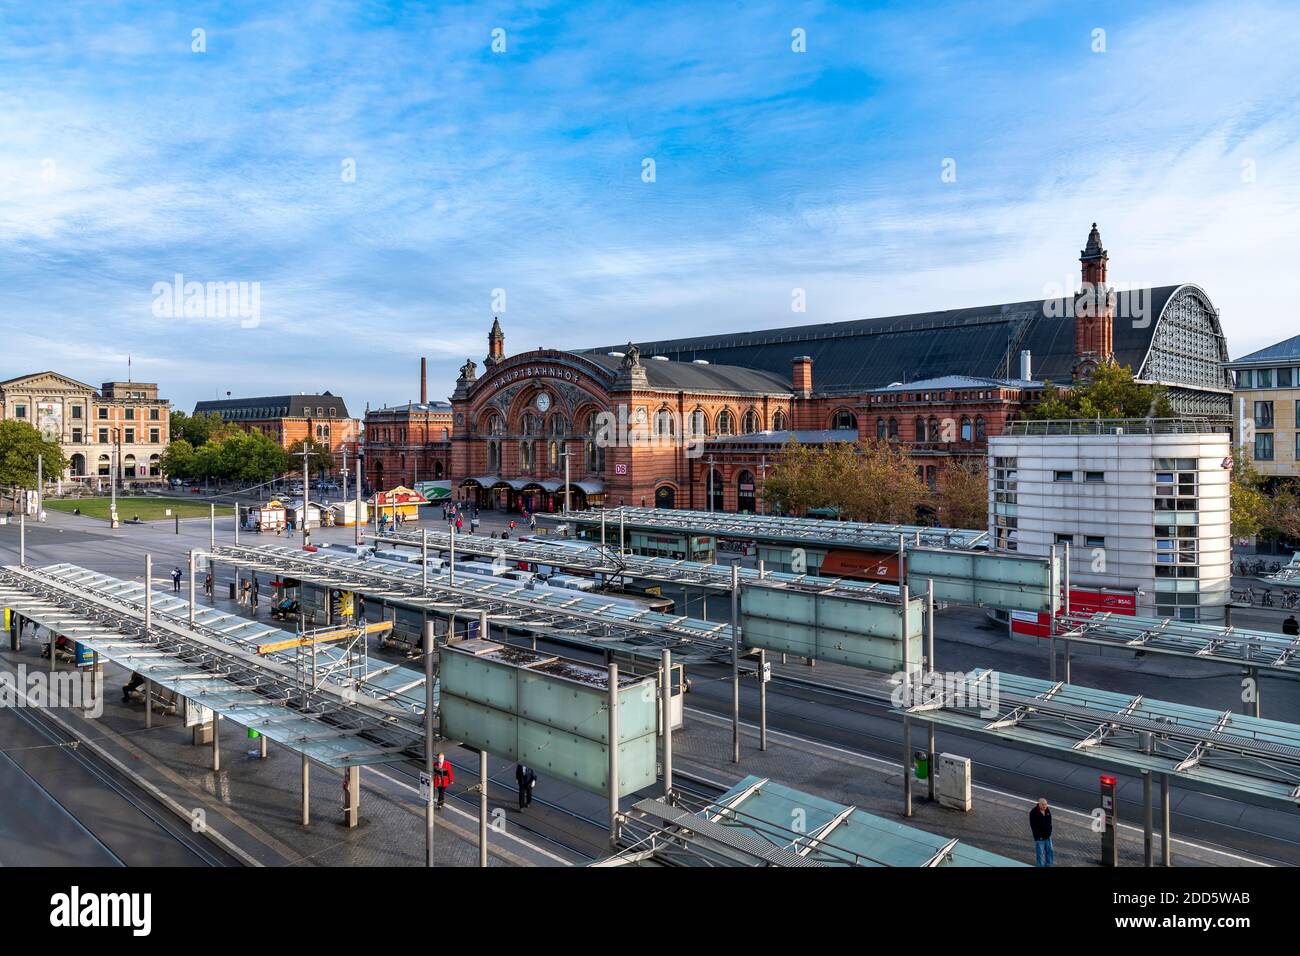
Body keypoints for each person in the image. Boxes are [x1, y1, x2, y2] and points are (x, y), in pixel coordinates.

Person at [1029, 797, 1054, 867]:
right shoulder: (1033, 813)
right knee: (1040, 854)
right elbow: (1033, 827)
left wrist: (1050, 831)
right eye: (1043, 805)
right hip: (1040, 838)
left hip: (1048, 837)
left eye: (1046, 804)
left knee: (1050, 852)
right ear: (1039, 804)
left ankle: (1049, 865)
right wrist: (1038, 837)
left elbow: (1050, 822)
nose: (1045, 806)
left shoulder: (1047, 810)